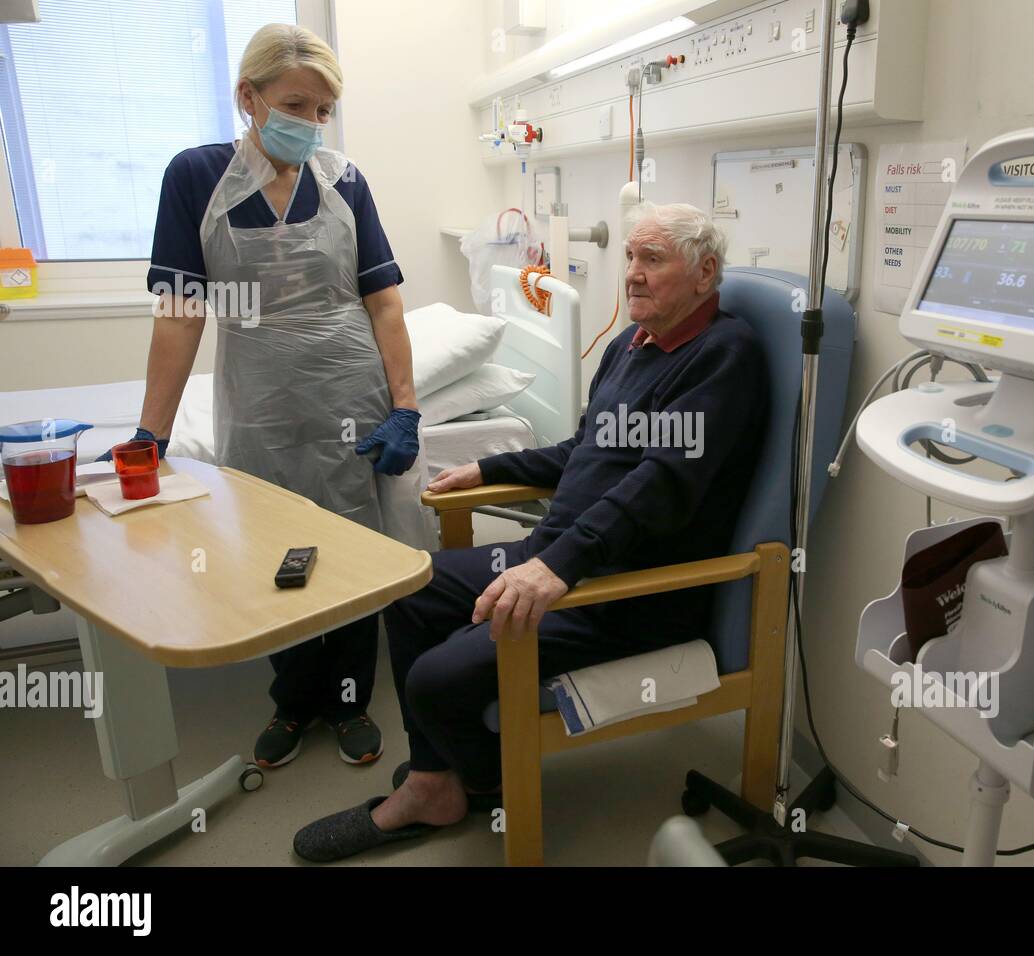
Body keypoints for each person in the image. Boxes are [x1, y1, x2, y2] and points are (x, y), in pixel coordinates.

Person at [292, 202, 769, 862]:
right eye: (630, 256)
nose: (631, 273)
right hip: (561, 557)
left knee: (435, 680)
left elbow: (661, 485)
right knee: (406, 592)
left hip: (622, 593)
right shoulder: (632, 346)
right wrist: (489, 465)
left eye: (651, 259)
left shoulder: (723, 358)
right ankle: (441, 781)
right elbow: (585, 450)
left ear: (704, 273)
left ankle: (475, 775)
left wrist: (561, 564)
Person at [127, 24, 419, 769]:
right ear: (247, 98)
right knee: (270, 547)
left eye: (323, 110)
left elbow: (384, 301)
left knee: (353, 541)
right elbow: (182, 311)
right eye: (296, 104)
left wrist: (406, 405)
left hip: (347, 383)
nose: (311, 123)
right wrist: (149, 435)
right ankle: (294, 702)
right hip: (256, 390)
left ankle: (350, 699)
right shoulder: (195, 176)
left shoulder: (344, 180)